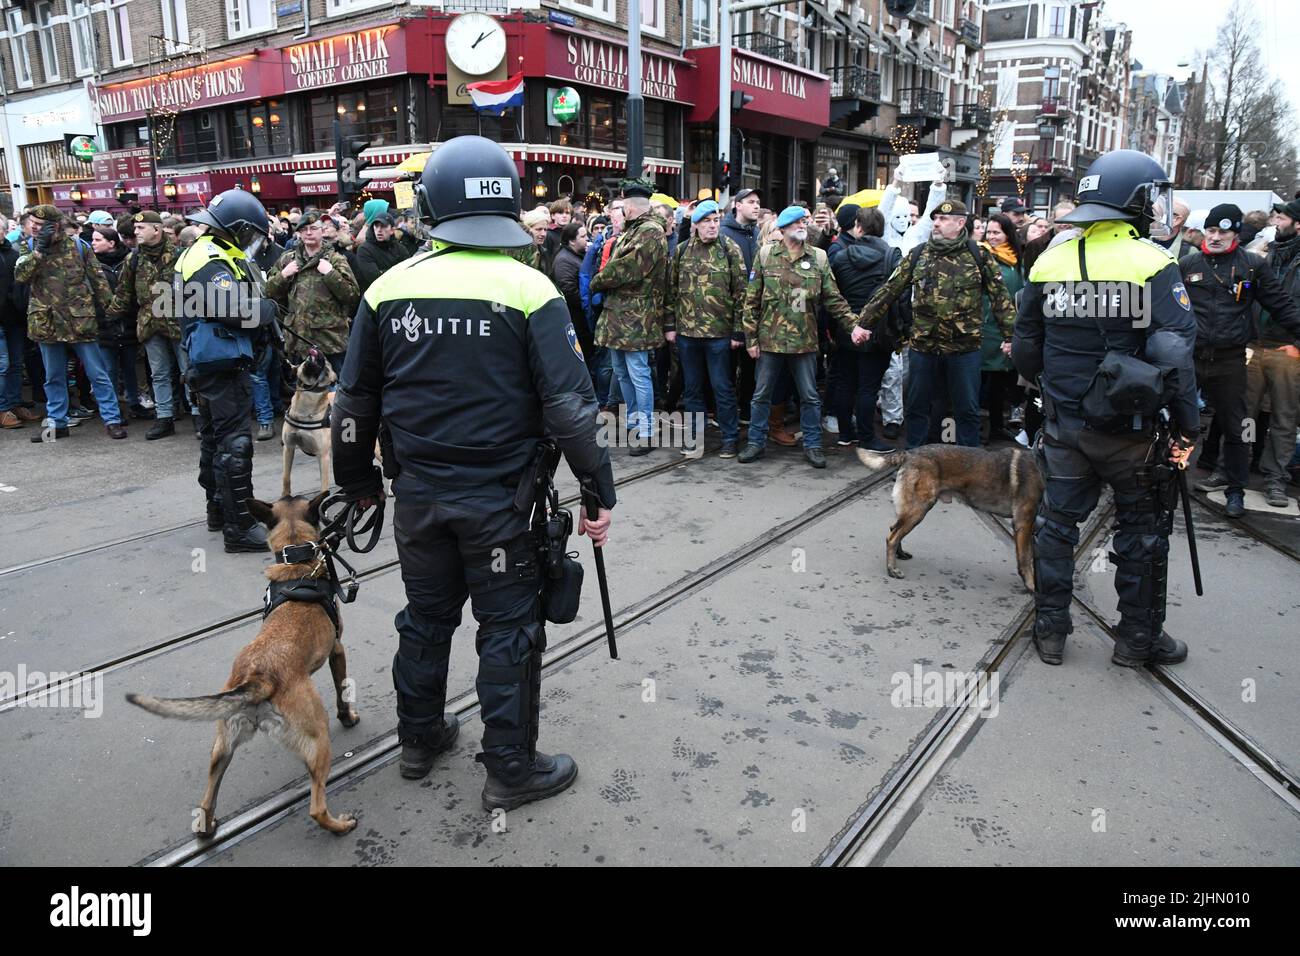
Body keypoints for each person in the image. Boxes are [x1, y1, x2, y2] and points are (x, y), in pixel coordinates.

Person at [331, 135, 615, 810]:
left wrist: (358, 484)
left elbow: (353, 402)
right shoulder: (529, 288)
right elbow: (571, 409)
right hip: (500, 505)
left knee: (426, 619)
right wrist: (598, 490)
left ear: (431, 207)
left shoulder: (387, 289)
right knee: (508, 630)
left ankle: (419, 739)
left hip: (419, 499)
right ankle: (510, 770)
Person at [1012, 148, 1199, 669]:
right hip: (1132, 435)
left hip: (1065, 426)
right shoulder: (1154, 263)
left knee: (1056, 526)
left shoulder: (1050, 260)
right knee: (1141, 531)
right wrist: (1188, 424)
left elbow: (1025, 349)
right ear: (1136, 203)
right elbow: (1176, 357)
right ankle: (1138, 639)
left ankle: (1050, 630)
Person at [854, 199, 1015, 449]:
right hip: (924, 347)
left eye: (943, 220)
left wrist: (1010, 336)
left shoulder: (978, 255)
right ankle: (915, 463)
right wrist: (864, 323)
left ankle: (968, 466)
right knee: (918, 407)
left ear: (960, 223)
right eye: (935, 219)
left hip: (964, 349)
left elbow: (1000, 298)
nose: (936, 224)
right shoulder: (919, 254)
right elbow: (890, 289)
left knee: (967, 410)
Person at [176, 189, 280, 551]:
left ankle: (219, 511)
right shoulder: (209, 257)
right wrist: (268, 310)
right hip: (220, 363)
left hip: (206, 361)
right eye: (248, 233)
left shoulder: (208, 252)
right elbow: (237, 310)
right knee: (234, 443)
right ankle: (239, 526)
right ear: (235, 227)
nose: (251, 241)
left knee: (215, 440)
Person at [1182, 203, 1300, 514]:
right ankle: (1166, 482)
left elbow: (1280, 304)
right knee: (1177, 422)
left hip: (1230, 361)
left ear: (1236, 233)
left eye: (1223, 231)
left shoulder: (1252, 266)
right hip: (1191, 357)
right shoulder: (1188, 263)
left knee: (1239, 427)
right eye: (1211, 230)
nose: (1216, 237)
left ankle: (1236, 488)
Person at [740, 205, 857, 468]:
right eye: (796, 223)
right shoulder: (766, 254)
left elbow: (834, 299)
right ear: (782, 229)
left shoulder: (819, 257)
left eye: (804, 222)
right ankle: (755, 442)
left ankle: (813, 444)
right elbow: (751, 301)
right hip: (770, 341)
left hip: (804, 342)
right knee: (761, 395)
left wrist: (853, 325)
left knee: (810, 396)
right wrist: (751, 339)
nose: (802, 225)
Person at [17, 205, 125, 442]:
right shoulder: (30, 246)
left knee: (98, 373)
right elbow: (21, 276)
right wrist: (39, 252)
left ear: (54, 226)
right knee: (54, 376)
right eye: (32, 223)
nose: (33, 227)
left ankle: (112, 420)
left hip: (79, 320)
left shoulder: (78, 246)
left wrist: (111, 312)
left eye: (39, 224)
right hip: (47, 321)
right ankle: (57, 423)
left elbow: (98, 280)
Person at [590, 180, 669, 455]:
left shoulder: (649, 231)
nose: (621, 211)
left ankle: (646, 432)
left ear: (630, 206)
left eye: (623, 206)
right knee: (623, 372)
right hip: (620, 316)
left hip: (637, 317)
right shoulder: (634, 230)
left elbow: (627, 269)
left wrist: (597, 281)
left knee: (638, 374)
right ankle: (635, 423)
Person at [665, 199, 746, 458]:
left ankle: (730, 438)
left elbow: (742, 292)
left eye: (716, 220)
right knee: (692, 389)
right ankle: (694, 438)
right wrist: (670, 326)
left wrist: (737, 331)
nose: (713, 226)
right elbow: (671, 290)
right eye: (707, 221)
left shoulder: (728, 248)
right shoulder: (682, 251)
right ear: (696, 225)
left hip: (719, 334)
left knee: (723, 387)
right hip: (688, 333)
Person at [107, 210, 190, 441]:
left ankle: (199, 414)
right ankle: (164, 417)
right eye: (135, 228)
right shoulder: (133, 258)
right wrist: (108, 317)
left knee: (189, 371)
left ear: (157, 229)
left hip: (178, 321)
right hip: (149, 322)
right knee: (159, 374)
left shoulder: (179, 255)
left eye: (141, 228)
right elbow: (123, 293)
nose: (136, 232)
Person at [827, 206, 903, 452]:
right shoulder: (891, 256)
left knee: (845, 383)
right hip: (878, 332)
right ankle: (867, 437)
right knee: (869, 388)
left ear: (858, 227)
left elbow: (831, 295)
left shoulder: (840, 257)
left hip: (846, 328)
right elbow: (900, 299)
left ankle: (845, 433)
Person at [1242, 198, 1300, 506]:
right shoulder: (1266, 254)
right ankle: (1235, 467)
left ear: (1297, 224)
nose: (1275, 221)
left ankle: (1276, 479)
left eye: (1282, 217)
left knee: (1283, 417)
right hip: (1254, 345)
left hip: (1287, 350)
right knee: (1245, 414)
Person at [265, 210, 360, 380]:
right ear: (299, 233)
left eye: (313, 228)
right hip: (298, 340)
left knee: (337, 387)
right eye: (304, 229)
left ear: (322, 231)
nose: (308, 233)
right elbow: (268, 293)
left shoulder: (335, 260)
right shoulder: (287, 260)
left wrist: (331, 274)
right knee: (303, 393)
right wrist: (283, 275)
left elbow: (352, 295)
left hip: (330, 341)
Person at [90, 226, 150, 422]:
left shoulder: (131, 260)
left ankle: (135, 403)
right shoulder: (91, 264)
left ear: (111, 242)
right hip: (103, 324)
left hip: (128, 321)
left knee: (130, 367)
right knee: (109, 370)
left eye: (97, 240)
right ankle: (112, 409)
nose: (93, 243)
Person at [980, 214, 1026, 443]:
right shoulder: (981, 256)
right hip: (983, 329)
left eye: (996, 232)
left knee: (999, 383)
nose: (992, 237)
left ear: (1008, 234)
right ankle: (980, 429)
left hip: (1006, 330)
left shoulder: (1016, 259)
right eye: (989, 232)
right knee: (981, 382)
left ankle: (997, 426)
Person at [721, 188, 762, 423]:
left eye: (758, 202)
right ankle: (726, 412)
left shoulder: (756, 233)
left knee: (750, 366)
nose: (756, 206)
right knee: (726, 367)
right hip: (728, 313)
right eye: (751, 202)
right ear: (738, 205)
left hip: (754, 312)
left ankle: (746, 409)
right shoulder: (723, 233)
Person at [353, 208, 412, 294]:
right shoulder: (364, 249)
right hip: (376, 297)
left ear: (392, 230)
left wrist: (383, 271)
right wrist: (399, 270)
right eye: (376, 226)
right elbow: (375, 278)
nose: (379, 230)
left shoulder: (399, 248)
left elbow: (409, 271)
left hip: (400, 293)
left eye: (383, 226)